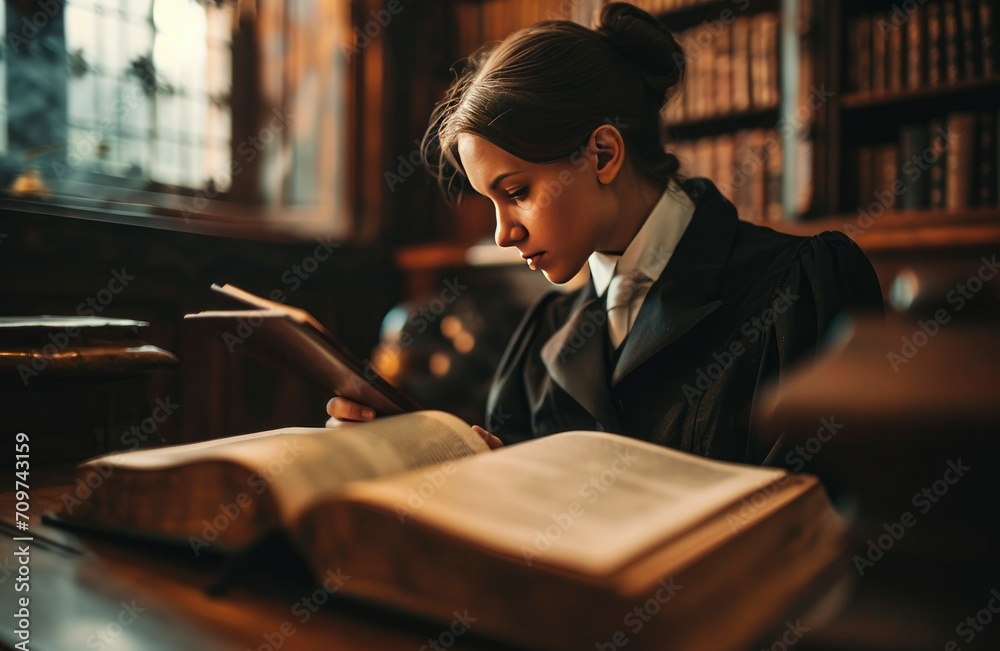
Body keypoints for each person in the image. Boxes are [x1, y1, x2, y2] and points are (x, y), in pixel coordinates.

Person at [327, 3, 883, 466]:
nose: (501, 233)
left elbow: (826, 526)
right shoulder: (543, 338)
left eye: (516, 192)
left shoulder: (800, 289)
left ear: (603, 153)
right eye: (489, 202)